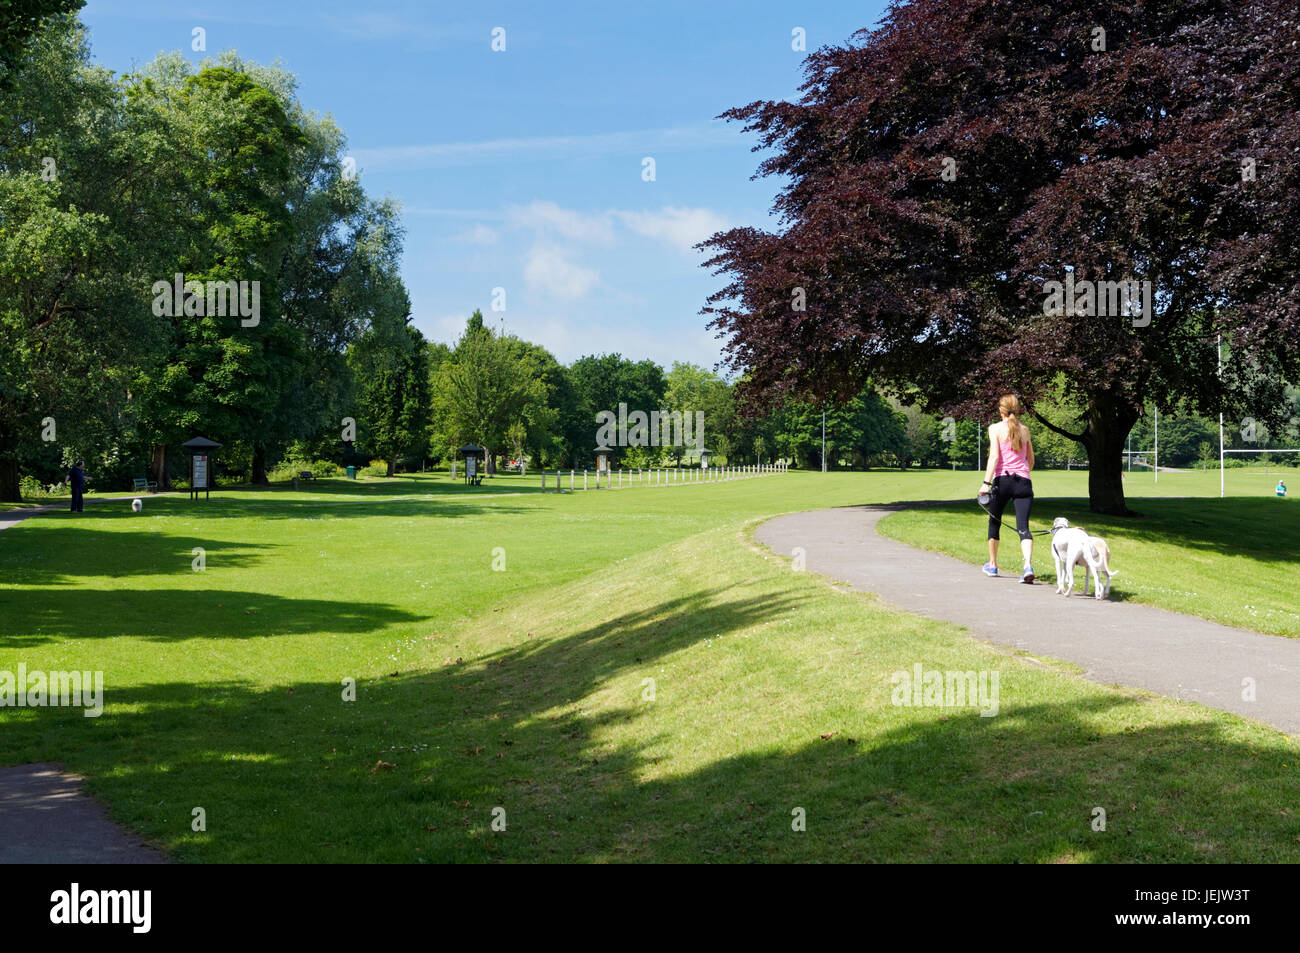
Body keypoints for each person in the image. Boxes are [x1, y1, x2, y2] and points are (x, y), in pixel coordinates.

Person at [979, 395, 1036, 583]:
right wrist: (1023, 471)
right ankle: (1027, 565)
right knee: (1023, 527)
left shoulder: (994, 429)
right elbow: (1031, 461)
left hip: (1002, 481)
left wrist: (986, 484)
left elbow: (994, 457)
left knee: (994, 522)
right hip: (1023, 482)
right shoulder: (1025, 430)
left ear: (1001, 410)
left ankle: (993, 565)